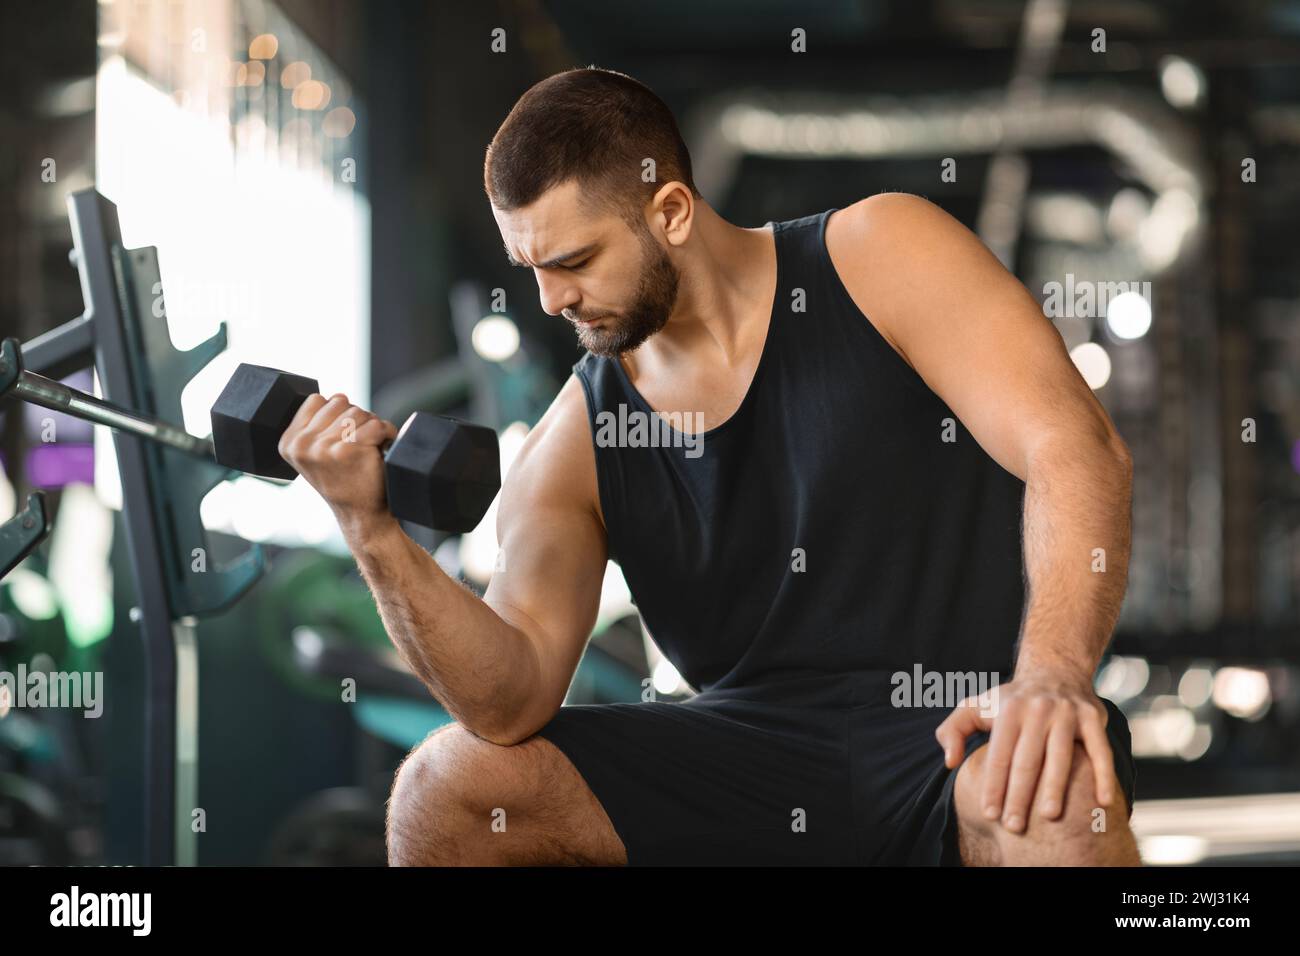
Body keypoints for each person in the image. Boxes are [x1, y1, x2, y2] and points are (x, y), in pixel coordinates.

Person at [278, 66, 1140, 866]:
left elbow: (1074, 447)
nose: (551, 300)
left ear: (674, 212)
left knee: (1050, 798)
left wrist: (1052, 676)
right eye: (530, 269)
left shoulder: (881, 254)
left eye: (573, 261)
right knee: (446, 788)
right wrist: (371, 528)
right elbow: (509, 702)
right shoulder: (576, 439)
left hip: (967, 720)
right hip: (750, 755)